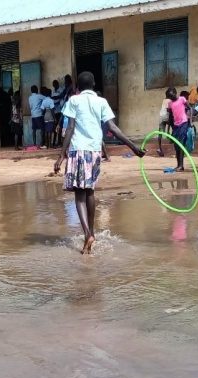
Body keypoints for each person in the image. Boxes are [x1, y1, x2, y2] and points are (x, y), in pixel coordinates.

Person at [55, 71, 145, 255]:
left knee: (79, 195)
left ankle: (87, 234)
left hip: (78, 150)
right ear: (94, 84)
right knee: (90, 191)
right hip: (95, 151)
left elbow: (70, 128)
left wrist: (61, 155)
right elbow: (113, 128)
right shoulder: (101, 102)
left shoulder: (73, 100)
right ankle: (92, 233)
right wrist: (133, 147)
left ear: (77, 87)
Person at [166, 87, 189, 172]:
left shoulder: (182, 99)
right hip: (176, 125)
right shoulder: (170, 104)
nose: (171, 98)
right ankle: (179, 165)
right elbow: (170, 117)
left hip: (183, 123)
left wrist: (190, 122)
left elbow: (189, 108)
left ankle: (181, 165)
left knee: (181, 144)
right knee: (176, 145)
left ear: (175, 93)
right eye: (169, 97)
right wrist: (168, 129)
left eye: (171, 96)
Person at [156, 90, 173, 157]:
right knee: (175, 126)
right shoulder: (170, 101)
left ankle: (159, 148)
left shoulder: (164, 100)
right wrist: (168, 130)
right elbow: (169, 112)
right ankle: (171, 138)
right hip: (166, 116)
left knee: (160, 133)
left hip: (161, 117)